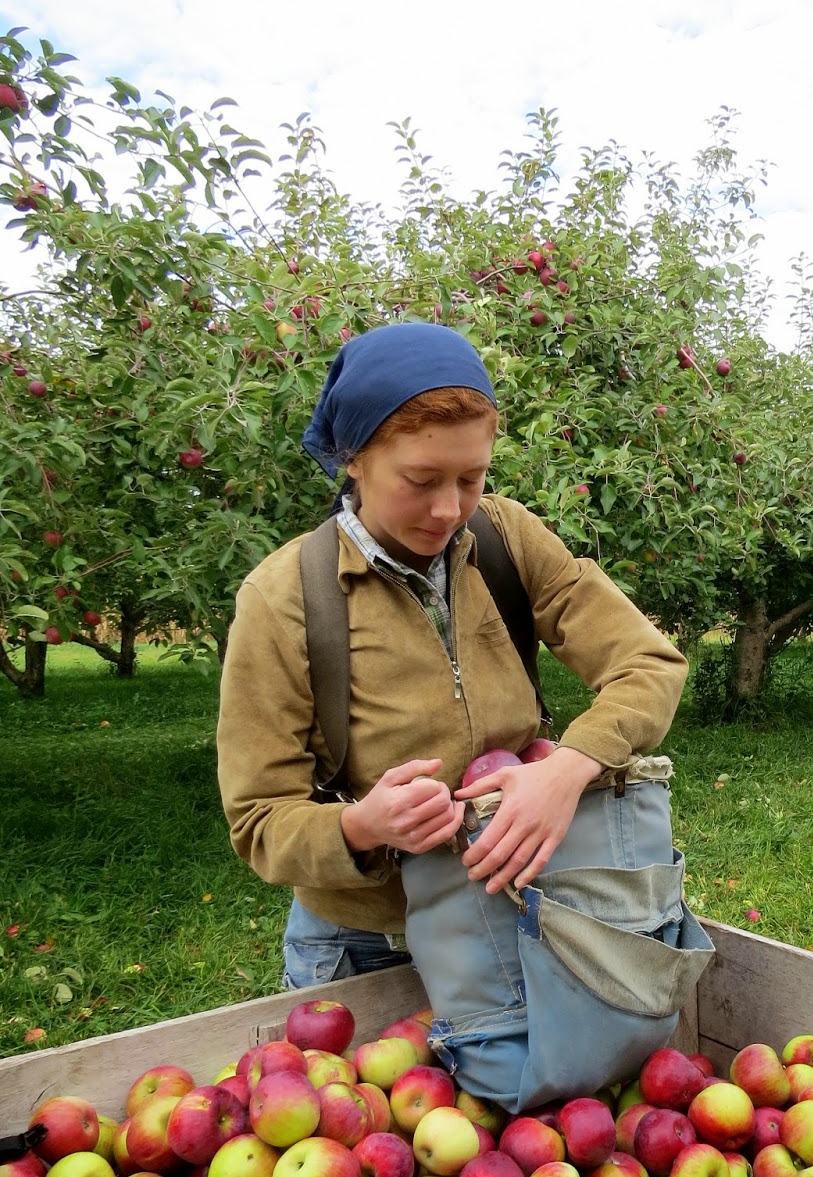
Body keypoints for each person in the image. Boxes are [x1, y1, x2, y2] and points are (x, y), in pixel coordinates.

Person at [217, 322, 702, 1105]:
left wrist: (567, 773)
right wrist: (361, 827)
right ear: (353, 459)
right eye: (420, 479)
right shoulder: (284, 602)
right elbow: (259, 821)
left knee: (526, 1140)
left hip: (515, 920)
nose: (448, 508)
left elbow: (647, 663)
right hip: (369, 950)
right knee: (394, 1157)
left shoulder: (505, 539)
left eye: (471, 477)